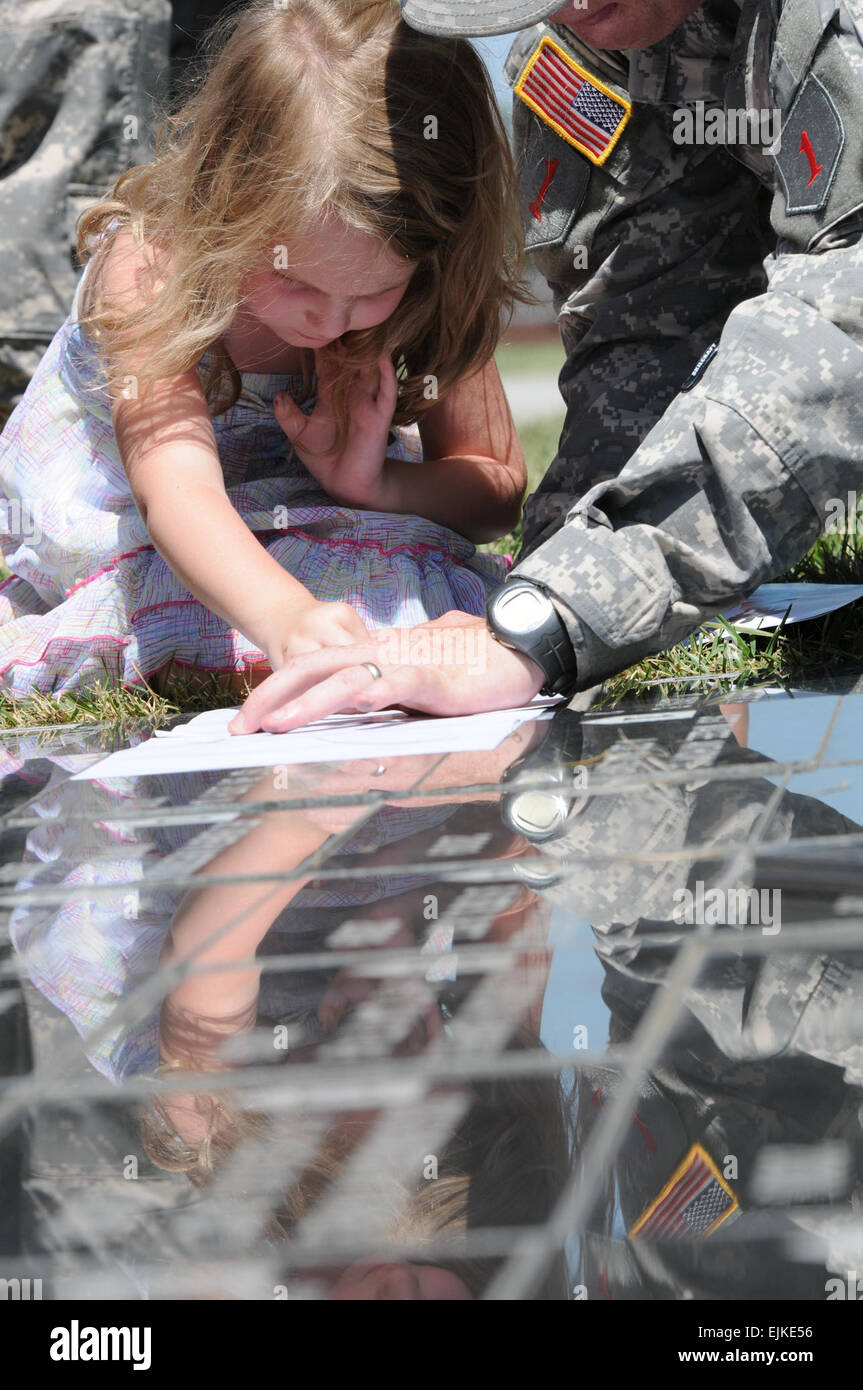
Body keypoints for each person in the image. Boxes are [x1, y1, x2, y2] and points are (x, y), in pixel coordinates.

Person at [231, 0, 863, 734]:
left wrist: (554, 618)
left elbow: (841, 329)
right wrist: (559, 559)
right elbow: (639, 323)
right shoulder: (580, 40)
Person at [0, 0, 525, 697]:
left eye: (375, 291)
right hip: (156, 539)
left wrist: (374, 485)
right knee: (282, 606)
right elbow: (177, 492)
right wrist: (285, 620)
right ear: (224, 186)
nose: (329, 319)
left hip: (320, 525)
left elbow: (493, 489)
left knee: (402, 593)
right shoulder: (152, 269)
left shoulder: (432, 277)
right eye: (292, 277)